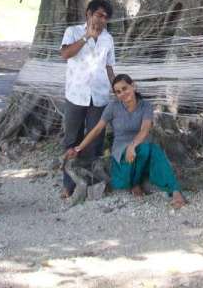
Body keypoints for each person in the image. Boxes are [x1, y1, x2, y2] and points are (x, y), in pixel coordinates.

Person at [65, 74, 186, 209]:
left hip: (141, 144)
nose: (123, 93)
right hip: (121, 149)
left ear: (133, 86)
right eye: (118, 92)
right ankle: (134, 183)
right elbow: (97, 129)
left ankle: (175, 191)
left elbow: (145, 129)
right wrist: (78, 148)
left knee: (152, 150)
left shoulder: (146, 106)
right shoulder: (113, 107)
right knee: (138, 157)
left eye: (125, 88)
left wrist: (133, 145)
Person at [60, 0, 116, 198]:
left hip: (99, 96)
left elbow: (109, 66)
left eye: (106, 17)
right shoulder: (73, 31)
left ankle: (91, 182)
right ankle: (68, 185)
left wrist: (115, 87)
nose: (102, 20)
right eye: (99, 15)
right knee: (72, 138)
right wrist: (86, 37)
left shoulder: (108, 39)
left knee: (94, 140)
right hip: (76, 94)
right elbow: (65, 54)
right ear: (88, 13)